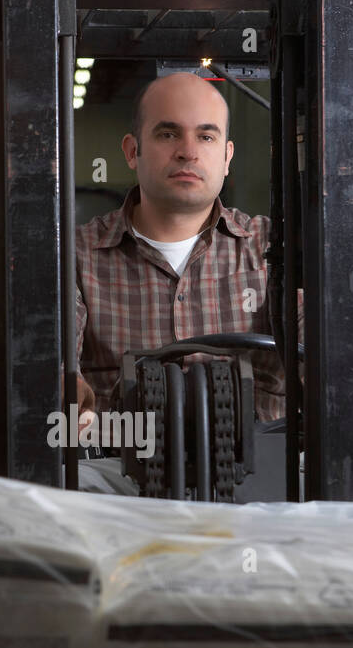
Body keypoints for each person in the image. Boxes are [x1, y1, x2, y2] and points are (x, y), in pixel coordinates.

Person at [74, 70, 298, 497]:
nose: (188, 152)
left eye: (207, 137)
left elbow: (325, 336)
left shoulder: (276, 250)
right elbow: (50, 345)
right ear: (132, 150)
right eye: (168, 134)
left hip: (260, 489)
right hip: (121, 488)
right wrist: (62, 377)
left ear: (228, 155)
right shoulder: (77, 256)